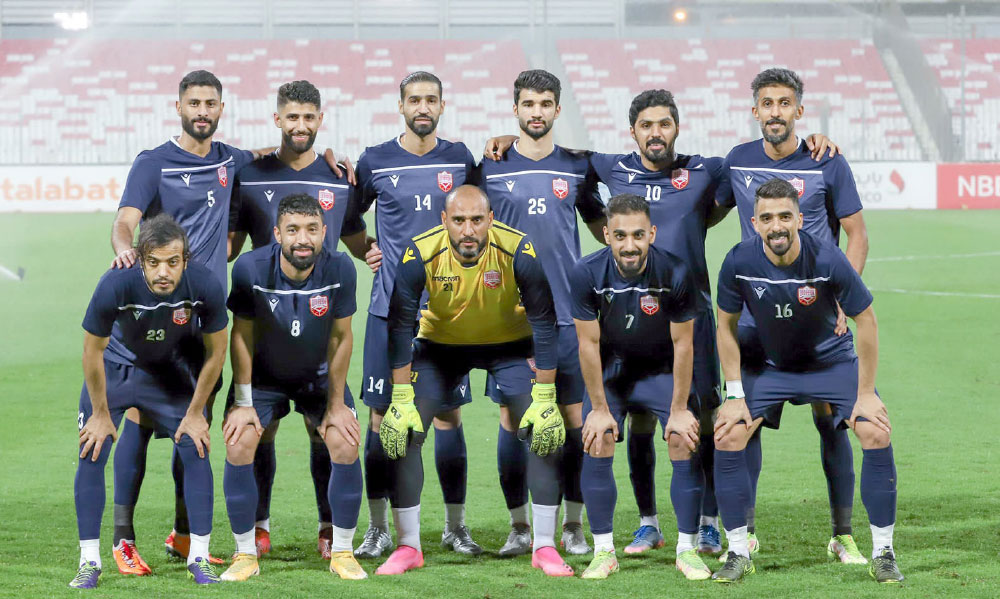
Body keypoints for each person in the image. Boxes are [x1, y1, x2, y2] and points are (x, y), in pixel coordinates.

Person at [484, 88, 839, 557]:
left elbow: (752, 174)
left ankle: (710, 523)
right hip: (627, 318)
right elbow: (555, 156)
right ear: (633, 132)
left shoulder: (705, 169)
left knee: (708, 421)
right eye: (647, 126)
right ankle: (648, 523)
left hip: (691, 316)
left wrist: (811, 138)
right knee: (639, 421)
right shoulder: (609, 166)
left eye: (665, 125)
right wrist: (512, 138)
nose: (656, 134)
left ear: (676, 127)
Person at [107, 69, 351, 567]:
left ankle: (181, 535)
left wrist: (326, 158)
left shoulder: (230, 160)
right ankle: (122, 537)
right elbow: (126, 220)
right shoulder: (153, 162)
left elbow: (279, 154)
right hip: (157, 307)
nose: (201, 112)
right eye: (193, 103)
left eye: (210, 104)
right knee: (138, 413)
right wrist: (123, 252)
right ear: (179, 107)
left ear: (221, 110)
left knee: (189, 422)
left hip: (206, 317)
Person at [711, 179, 901, 584]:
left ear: (800, 218)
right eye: (766, 218)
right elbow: (723, 326)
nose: (776, 226)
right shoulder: (737, 261)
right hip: (768, 366)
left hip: (828, 363)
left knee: (876, 431)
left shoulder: (829, 259)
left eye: (784, 216)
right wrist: (734, 394)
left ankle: (883, 552)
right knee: (728, 433)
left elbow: (865, 320)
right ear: (754, 222)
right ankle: (738, 552)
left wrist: (865, 394)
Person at [714, 68, 869, 563]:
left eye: (785, 103)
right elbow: (698, 203)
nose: (775, 111)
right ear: (754, 109)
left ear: (799, 110)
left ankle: (842, 533)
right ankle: (748, 531)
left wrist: (844, 299)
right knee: (746, 423)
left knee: (832, 425)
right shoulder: (737, 162)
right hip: (758, 320)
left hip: (818, 319)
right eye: (767, 102)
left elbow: (857, 235)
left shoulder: (827, 161)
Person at [376, 185, 569, 576]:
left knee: (542, 428)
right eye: (459, 220)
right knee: (401, 431)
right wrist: (399, 397)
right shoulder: (420, 252)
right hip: (440, 346)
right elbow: (399, 326)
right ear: (444, 221)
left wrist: (546, 396)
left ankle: (545, 546)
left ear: (490, 220)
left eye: (477, 221)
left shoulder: (518, 250)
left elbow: (545, 325)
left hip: (510, 345)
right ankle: (409, 547)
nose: (468, 230)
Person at [227, 80, 376, 559]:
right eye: (291, 117)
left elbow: (354, 234)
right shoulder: (249, 173)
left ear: (320, 119)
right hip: (265, 325)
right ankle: (259, 527)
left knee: (329, 434)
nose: (300, 126)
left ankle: (330, 529)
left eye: (309, 117)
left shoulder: (338, 177)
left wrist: (375, 255)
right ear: (277, 119)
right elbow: (228, 242)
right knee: (255, 434)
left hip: (317, 331)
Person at [352, 71, 480, 558]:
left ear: (442, 105)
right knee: (381, 417)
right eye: (414, 99)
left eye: (430, 99)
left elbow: (481, 215)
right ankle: (378, 528)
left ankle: (455, 526)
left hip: (451, 314)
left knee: (449, 417)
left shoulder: (461, 158)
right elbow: (349, 219)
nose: (422, 107)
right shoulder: (375, 160)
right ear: (400, 105)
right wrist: (367, 247)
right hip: (390, 313)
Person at [479, 69, 605, 556]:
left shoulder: (577, 167)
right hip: (509, 319)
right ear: (516, 108)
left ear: (557, 109)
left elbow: (602, 230)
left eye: (545, 103)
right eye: (528, 104)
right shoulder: (489, 166)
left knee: (574, 419)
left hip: (569, 316)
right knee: (514, 421)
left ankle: (573, 525)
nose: (536, 112)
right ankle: (519, 526)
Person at [70, 215, 228, 588]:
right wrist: (100, 414)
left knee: (196, 444)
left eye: (172, 262)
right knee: (92, 448)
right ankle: (89, 563)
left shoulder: (204, 283)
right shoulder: (116, 283)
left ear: (185, 260)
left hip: (169, 376)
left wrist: (195, 414)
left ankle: (200, 558)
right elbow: (91, 352)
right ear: (140, 258)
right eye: (154, 262)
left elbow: (217, 352)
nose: (163, 272)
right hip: (117, 372)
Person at [220, 194, 365, 581]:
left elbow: (341, 339)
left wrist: (336, 403)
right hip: (264, 377)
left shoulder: (341, 268)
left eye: (312, 230)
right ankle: (245, 552)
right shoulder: (251, 268)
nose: (304, 239)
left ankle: (342, 548)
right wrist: (244, 402)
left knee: (344, 441)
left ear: (324, 233)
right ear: (276, 234)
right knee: (240, 441)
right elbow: (242, 337)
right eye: (294, 230)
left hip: (317, 376)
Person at [571, 193, 712, 580]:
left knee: (682, 437)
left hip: (662, 372)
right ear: (606, 235)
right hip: (613, 375)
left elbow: (684, 344)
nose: (629, 245)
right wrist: (599, 409)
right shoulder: (586, 273)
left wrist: (680, 408)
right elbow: (588, 344)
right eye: (619, 236)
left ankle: (687, 549)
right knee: (597, 437)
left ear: (651, 233)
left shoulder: (676, 272)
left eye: (637, 235)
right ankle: (604, 552)